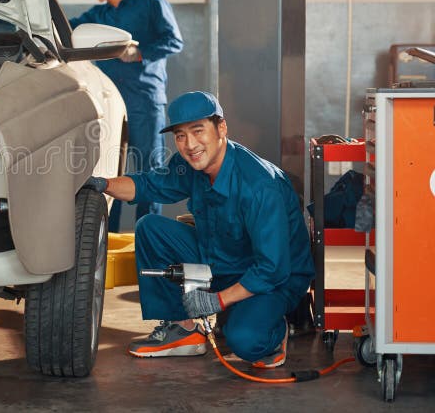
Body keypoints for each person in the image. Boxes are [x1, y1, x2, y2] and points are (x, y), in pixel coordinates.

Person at [84, 91, 314, 367]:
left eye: (197, 130)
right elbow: (150, 184)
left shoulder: (260, 185)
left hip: (274, 277)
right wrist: (101, 183)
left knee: (246, 340)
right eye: (180, 135)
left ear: (222, 128)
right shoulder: (190, 165)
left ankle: (276, 333)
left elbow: (273, 269)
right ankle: (185, 330)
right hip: (223, 257)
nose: (190, 144)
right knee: (151, 228)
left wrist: (217, 301)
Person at [71, 0, 183, 232]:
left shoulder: (151, 4)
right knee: (112, 171)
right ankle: (106, 240)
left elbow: (174, 40)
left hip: (145, 102)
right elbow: (67, 28)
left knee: (149, 170)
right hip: (110, 105)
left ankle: (146, 237)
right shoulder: (97, 17)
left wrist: (140, 52)